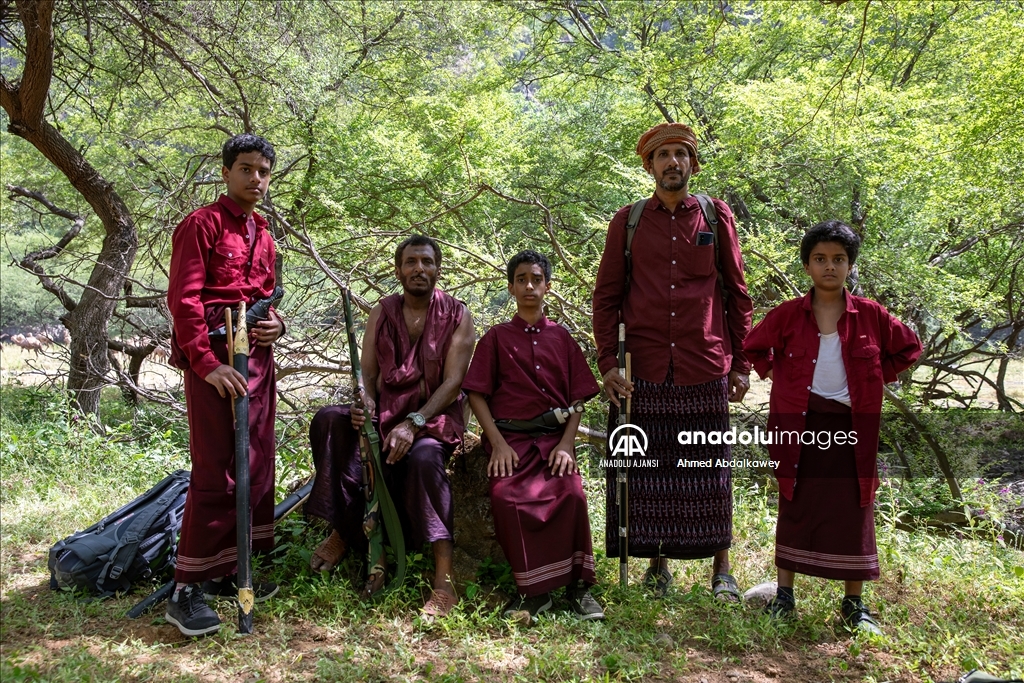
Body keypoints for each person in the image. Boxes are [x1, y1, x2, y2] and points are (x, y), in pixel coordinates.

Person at [592, 122, 754, 599]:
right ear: (649, 166)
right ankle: (656, 567)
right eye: (662, 155)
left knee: (709, 470)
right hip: (640, 368)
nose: (672, 162)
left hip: (704, 363)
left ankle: (721, 569)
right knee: (646, 470)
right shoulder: (628, 221)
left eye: (680, 154)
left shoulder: (714, 215)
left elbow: (737, 295)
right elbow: (607, 298)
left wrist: (741, 363)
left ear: (693, 163)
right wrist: (608, 363)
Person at [744, 220, 921, 634]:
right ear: (807, 265)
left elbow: (909, 348)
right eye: (820, 259)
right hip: (799, 425)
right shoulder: (788, 314)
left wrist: (877, 375)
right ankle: (784, 598)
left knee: (853, 510)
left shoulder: (872, 315)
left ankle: (854, 604)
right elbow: (753, 347)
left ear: (849, 266)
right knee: (796, 502)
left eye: (838, 259)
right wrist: (778, 374)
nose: (830, 267)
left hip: (851, 427)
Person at [306, 235, 475, 619]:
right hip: (384, 414)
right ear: (399, 270)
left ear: (438, 269)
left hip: (433, 420)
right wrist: (363, 400)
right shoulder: (382, 312)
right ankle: (346, 531)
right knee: (329, 421)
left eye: (427, 262)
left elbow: (453, 383)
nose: (419, 269)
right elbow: (366, 373)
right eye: (411, 262)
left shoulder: (458, 314)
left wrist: (414, 423)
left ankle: (443, 580)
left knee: (425, 460)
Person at [165, 134, 285, 637]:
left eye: (262, 171)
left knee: (256, 459)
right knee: (218, 467)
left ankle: (233, 569)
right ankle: (186, 590)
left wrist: (276, 324)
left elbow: (265, 297)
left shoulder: (264, 232)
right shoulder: (201, 223)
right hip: (215, 359)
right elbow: (185, 300)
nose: (255, 178)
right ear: (226, 172)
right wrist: (207, 364)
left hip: (256, 356)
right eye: (245, 169)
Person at [463, 250, 604, 622]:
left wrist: (566, 444)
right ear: (511, 287)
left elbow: (577, 400)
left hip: (554, 441)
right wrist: (497, 443)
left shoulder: (562, 337)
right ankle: (535, 593)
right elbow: (476, 392)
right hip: (513, 442)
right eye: (521, 279)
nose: (529, 286)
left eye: (537, 279)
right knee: (507, 497)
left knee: (571, 494)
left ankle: (579, 589)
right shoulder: (496, 338)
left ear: (548, 286)